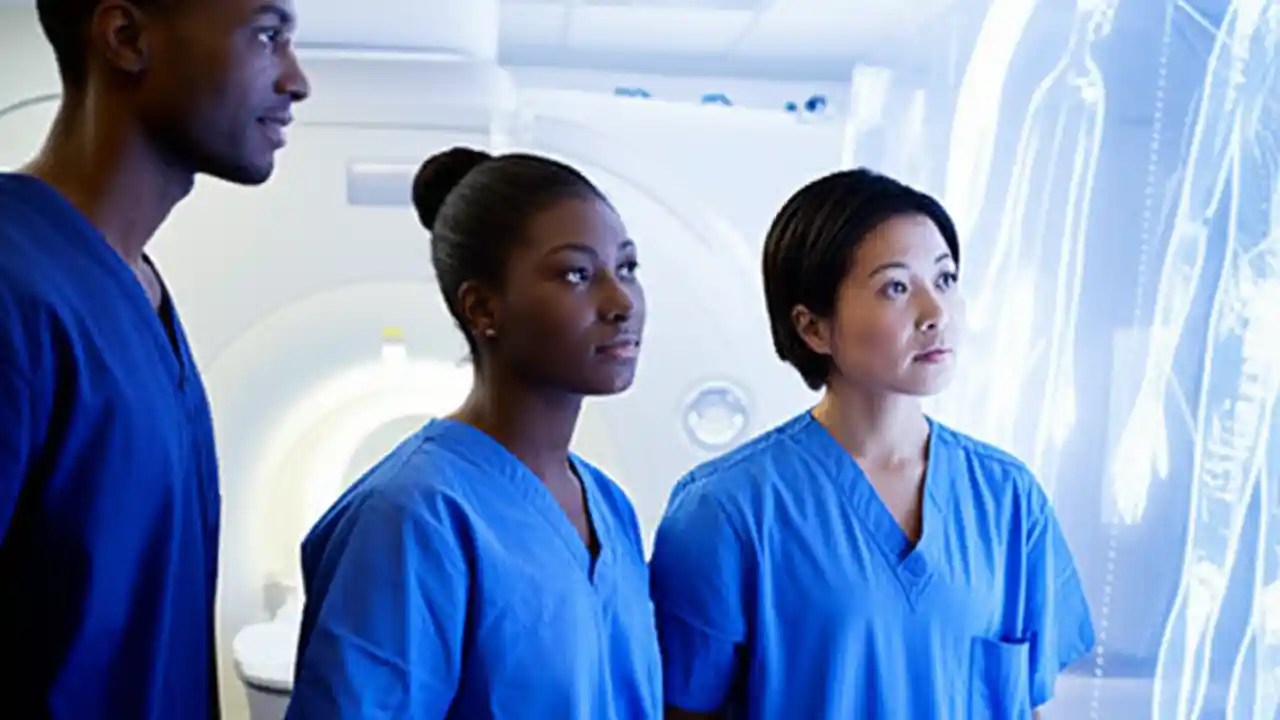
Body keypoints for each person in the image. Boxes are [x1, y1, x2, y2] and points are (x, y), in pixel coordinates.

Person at [648, 168, 1095, 719]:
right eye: (896, 287)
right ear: (813, 328)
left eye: (946, 280)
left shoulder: (1007, 497)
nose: (936, 314)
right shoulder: (727, 510)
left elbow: (1021, 706)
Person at [0, 0, 309, 716]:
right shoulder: (17, 286)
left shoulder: (140, 291)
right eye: (268, 36)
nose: (297, 80)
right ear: (127, 38)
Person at [285, 147, 661, 720]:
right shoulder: (412, 516)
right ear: (483, 308)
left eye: (627, 268)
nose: (621, 302)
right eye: (577, 274)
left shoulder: (610, 506)